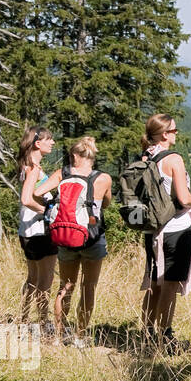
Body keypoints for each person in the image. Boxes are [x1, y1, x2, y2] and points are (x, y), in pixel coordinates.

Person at [138, 114, 191, 351]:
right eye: (174, 131)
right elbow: (184, 198)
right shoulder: (173, 159)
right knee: (170, 285)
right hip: (176, 229)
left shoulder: (147, 155)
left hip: (153, 229)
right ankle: (165, 337)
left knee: (154, 284)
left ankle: (146, 333)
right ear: (165, 134)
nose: (177, 135)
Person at [52, 137, 112, 348]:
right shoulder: (103, 178)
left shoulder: (61, 175)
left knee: (65, 286)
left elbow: (36, 191)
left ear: (74, 156)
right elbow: (106, 203)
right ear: (92, 157)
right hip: (92, 238)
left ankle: (59, 336)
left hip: (66, 237)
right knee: (89, 287)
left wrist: (50, 210)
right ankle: (80, 336)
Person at [16, 126, 60, 334]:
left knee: (32, 279)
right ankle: (44, 324)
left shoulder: (25, 165)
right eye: (48, 139)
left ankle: (24, 320)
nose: (52, 143)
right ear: (37, 143)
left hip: (26, 230)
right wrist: (47, 211)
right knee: (46, 280)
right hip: (40, 230)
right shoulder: (33, 168)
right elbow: (26, 199)